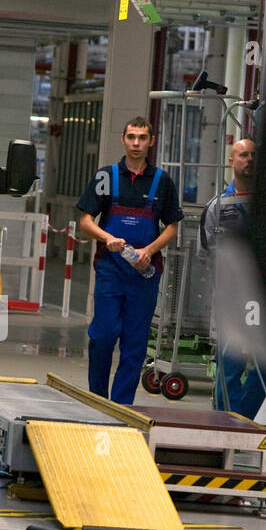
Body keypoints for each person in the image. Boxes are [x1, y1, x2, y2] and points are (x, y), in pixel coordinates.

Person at [76, 116, 183, 405]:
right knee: (103, 336)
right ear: (123, 139)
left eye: (142, 138)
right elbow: (85, 220)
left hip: (144, 274)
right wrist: (105, 237)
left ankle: (121, 406)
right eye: (132, 137)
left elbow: (173, 226)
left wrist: (149, 250)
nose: (136, 143)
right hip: (111, 270)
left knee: (134, 345)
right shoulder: (106, 176)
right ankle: (97, 399)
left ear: (151, 141)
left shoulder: (162, 182)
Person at [199, 138, 266, 418]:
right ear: (231, 162)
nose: (250, 160)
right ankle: (225, 426)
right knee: (231, 364)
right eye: (243, 155)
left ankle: (241, 419)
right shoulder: (218, 207)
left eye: (254, 155)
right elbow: (206, 254)